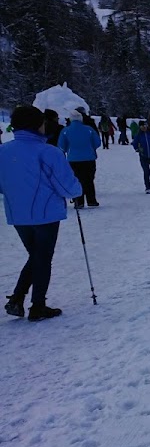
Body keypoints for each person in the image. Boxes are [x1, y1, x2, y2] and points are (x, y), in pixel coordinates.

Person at [0, 105, 82, 321]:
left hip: (18, 214)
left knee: (36, 256)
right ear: (38, 125)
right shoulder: (49, 152)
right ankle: (37, 306)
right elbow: (67, 187)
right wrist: (78, 189)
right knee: (42, 258)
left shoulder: (3, 152)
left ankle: (17, 299)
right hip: (46, 214)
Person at [57, 109, 103, 208]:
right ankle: (91, 200)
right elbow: (97, 142)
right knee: (89, 179)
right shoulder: (89, 129)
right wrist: (90, 148)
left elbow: (61, 146)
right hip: (89, 158)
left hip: (73, 159)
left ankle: (79, 201)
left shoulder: (66, 130)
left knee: (76, 180)